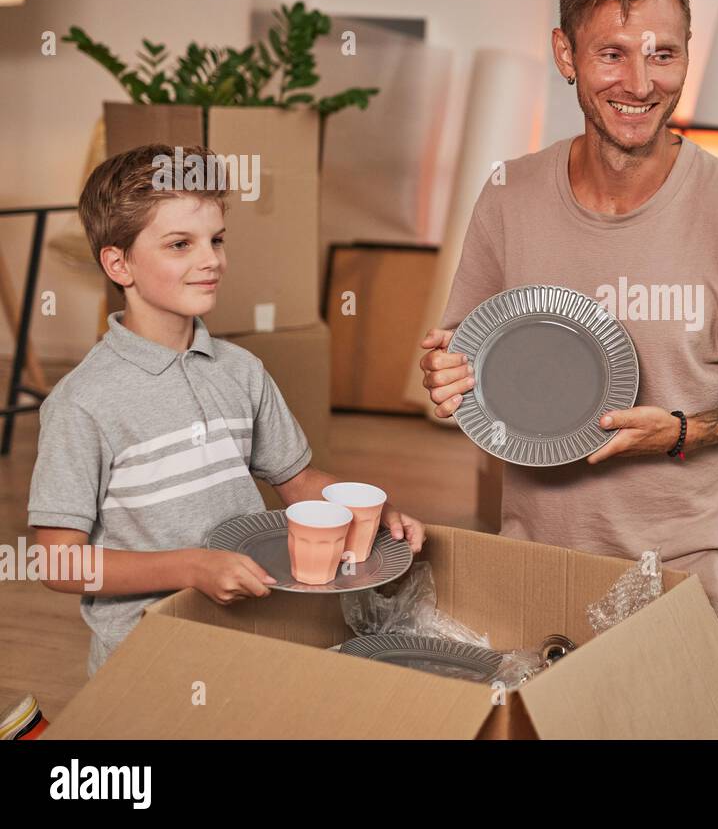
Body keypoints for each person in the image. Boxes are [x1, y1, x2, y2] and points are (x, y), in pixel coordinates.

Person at [419, 0, 718, 719]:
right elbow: (466, 354)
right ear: (564, 55)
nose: (641, 84)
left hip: (684, 582)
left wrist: (682, 431)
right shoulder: (510, 193)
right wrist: (446, 378)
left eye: (663, 54)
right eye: (611, 54)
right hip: (537, 570)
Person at [29, 144, 424, 677]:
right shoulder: (82, 403)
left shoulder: (241, 370)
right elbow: (57, 562)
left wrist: (370, 517)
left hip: (251, 637)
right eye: (179, 244)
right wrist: (192, 567)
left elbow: (298, 478)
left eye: (215, 240)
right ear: (118, 263)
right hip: (148, 661)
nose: (210, 259)